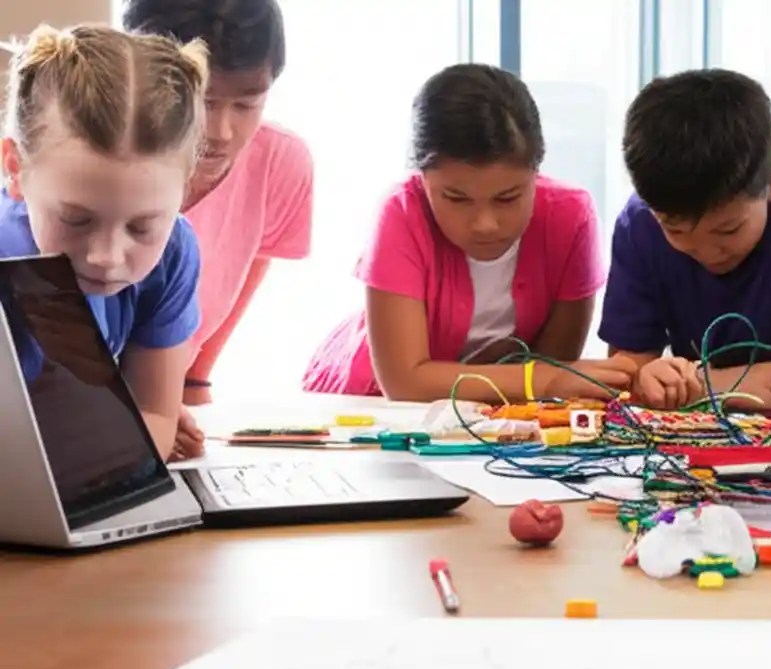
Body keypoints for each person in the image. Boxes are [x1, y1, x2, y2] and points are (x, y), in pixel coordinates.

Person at [303, 64, 633, 402]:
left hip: (499, 419)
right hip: (369, 407)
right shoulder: (401, 212)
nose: (484, 223)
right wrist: (542, 381)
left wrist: (546, 381)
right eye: (456, 198)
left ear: (537, 170)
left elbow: (554, 363)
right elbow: (404, 382)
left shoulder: (570, 218)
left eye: (508, 198)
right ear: (422, 178)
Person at [598, 68, 771, 411]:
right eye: (676, 232)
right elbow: (627, 366)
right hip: (692, 435)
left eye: (728, 230)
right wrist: (648, 377)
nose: (707, 252)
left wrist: (696, 385)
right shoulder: (640, 223)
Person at [0, 24, 207, 457]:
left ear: (184, 189)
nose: (106, 258)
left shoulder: (172, 256)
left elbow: (156, 415)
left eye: (142, 227)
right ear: (15, 168)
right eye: (75, 219)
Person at [122, 0, 314, 460]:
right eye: (203, 100)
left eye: (248, 103)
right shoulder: (98, 166)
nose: (222, 132)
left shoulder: (279, 162)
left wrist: (188, 387)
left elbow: (241, 282)